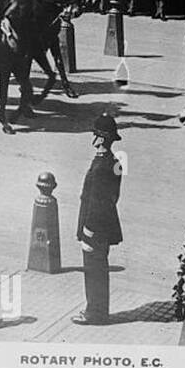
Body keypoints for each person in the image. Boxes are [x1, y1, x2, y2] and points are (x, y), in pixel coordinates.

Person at [73, 114, 124, 326]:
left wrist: (89, 229)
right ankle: (99, 310)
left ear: (101, 138)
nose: (93, 140)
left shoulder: (102, 165)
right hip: (106, 224)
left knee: (94, 270)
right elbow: (113, 197)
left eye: (95, 135)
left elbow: (97, 200)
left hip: (95, 226)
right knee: (100, 268)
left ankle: (95, 313)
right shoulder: (115, 162)